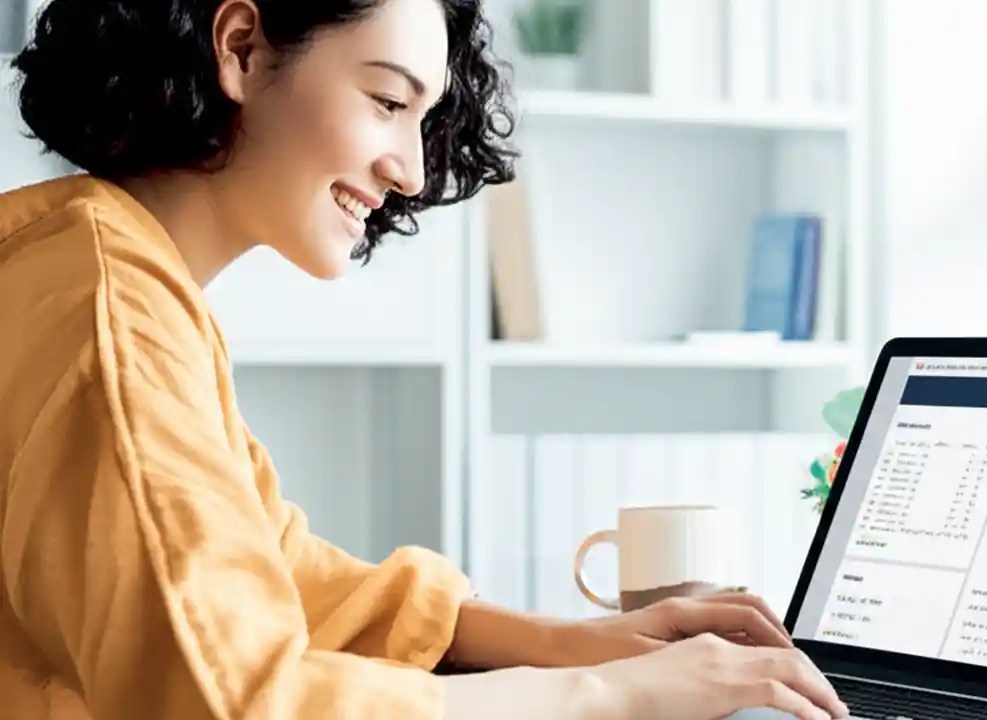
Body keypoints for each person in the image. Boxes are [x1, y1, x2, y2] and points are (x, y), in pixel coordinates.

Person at [0, 1, 851, 719]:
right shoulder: (110, 311)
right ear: (241, 50)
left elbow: (271, 569)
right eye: (385, 100)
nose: (408, 170)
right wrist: (608, 691)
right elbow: (233, 698)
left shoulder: (99, 263)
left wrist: (563, 643)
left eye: (422, 117)